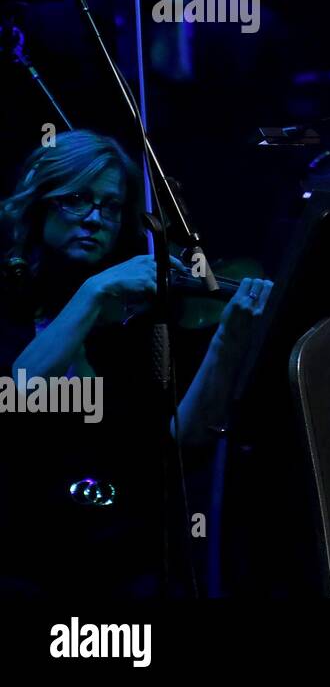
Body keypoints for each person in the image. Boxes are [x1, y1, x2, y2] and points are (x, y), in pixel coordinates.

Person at [0, 130, 271, 597]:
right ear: (39, 202)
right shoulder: (11, 301)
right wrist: (93, 291)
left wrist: (228, 340)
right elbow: (17, 391)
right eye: (77, 199)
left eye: (110, 205)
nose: (94, 218)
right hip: (19, 558)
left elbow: (180, 443)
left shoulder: (136, 319)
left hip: (120, 558)